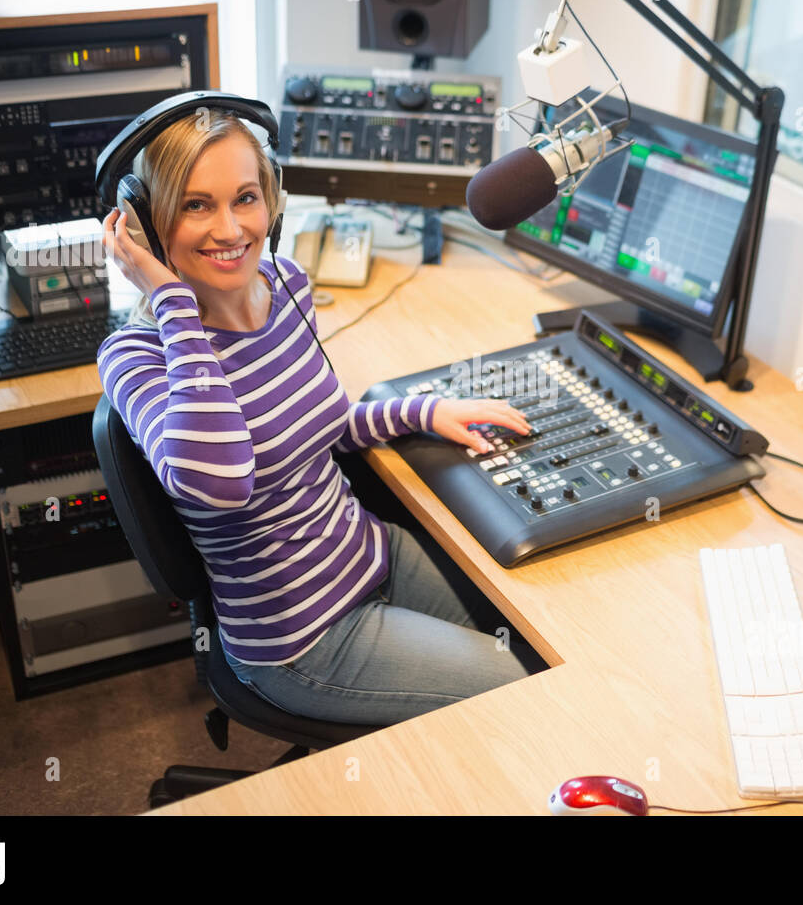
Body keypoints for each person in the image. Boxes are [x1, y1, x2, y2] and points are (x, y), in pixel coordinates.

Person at [97, 107, 545, 726]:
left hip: (370, 555)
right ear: (146, 225)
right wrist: (170, 299)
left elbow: (322, 425)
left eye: (245, 198)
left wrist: (425, 408)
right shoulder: (135, 355)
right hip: (300, 641)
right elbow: (221, 482)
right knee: (522, 693)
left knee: (545, 644)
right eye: (195, 205)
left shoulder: (285, 283)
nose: (229, 229)